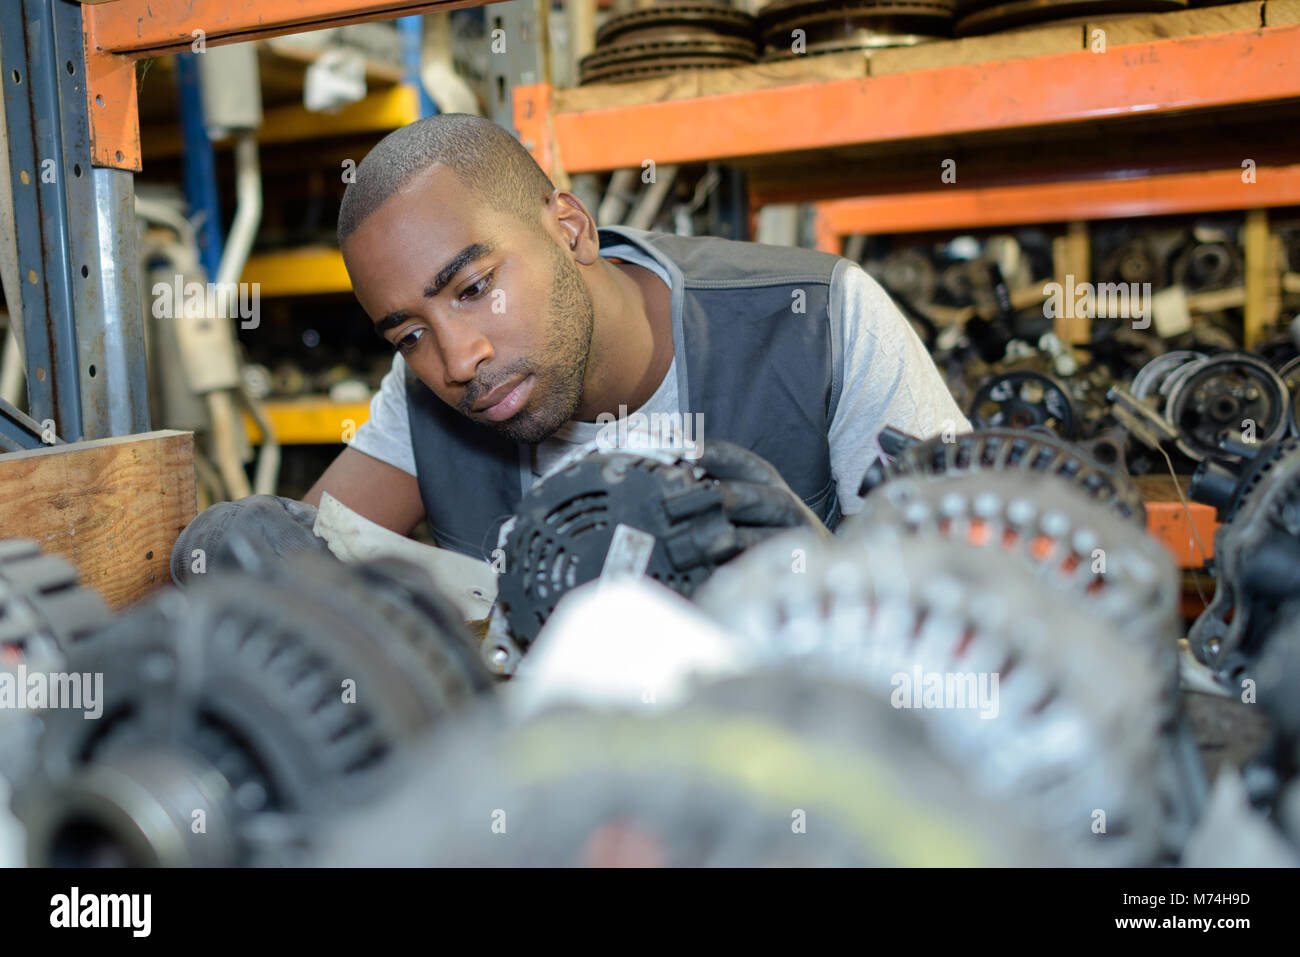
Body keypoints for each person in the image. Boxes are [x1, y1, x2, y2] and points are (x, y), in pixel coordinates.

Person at [174, 113, 969, 578]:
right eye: (410, 332)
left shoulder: (819, 320)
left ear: (570, 228)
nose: (457, 361)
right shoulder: (425, 392)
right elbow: (299, 563)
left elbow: (970, 600)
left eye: (475, 286)